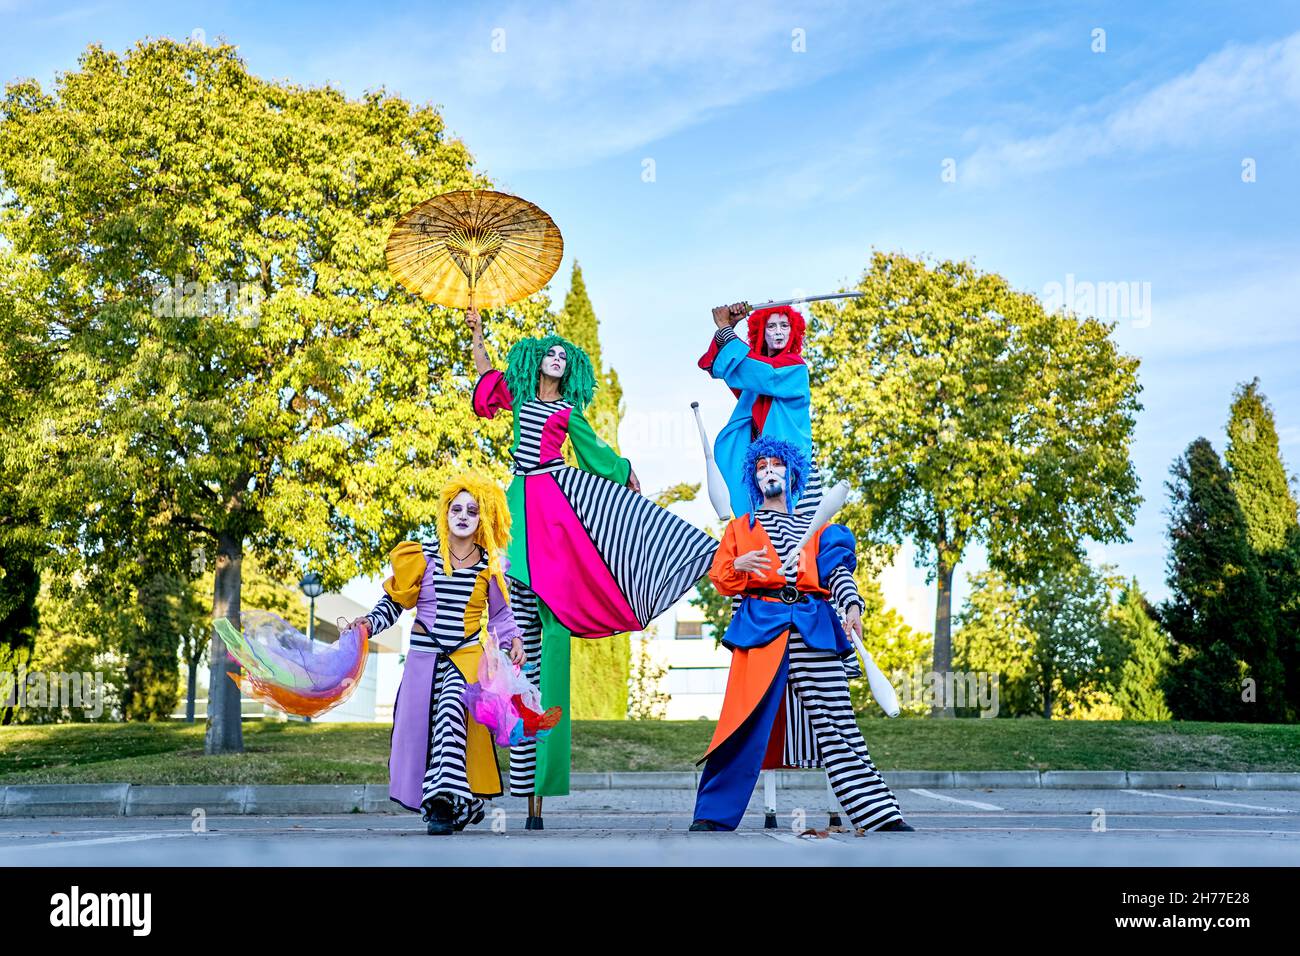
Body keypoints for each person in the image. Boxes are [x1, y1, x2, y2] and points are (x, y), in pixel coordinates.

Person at [468, 308, 717, 826]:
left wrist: (624, 474)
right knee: (515, 635)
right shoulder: (518, 398)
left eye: (565, 356)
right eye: (551, 352)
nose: (557, 359)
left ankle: (543, 784)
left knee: (553, 650)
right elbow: (485, 379)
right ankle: (517, 771)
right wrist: (476, 332)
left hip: (560, 506)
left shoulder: (568, 413)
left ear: (571, 369)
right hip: (521, 501)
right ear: (538, 361)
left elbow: (597, 453)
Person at [689, 436, 914, 833]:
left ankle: (881, 815)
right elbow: (722, 578)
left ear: (792, 474)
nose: (769, 471)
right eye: (761, 466)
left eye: (777, 464)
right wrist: (739, 563)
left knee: (839, 723)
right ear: (753, 478)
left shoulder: (818, 528)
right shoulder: (741, 528)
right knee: (741, 724)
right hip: (761, 629)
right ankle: (712, 816)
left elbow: (838, 572)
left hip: (813, 626)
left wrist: (853, 607)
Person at [350, 473, 524, 835]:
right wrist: (368, 623)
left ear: (483, 519)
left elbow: (502, 615)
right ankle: (465, 802)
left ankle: (442, 806)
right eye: (456, 509)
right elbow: (394, 603)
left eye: (472, 511)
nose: (462, 516)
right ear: (445, 514)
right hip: (423, 662)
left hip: (465, 659)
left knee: (449, 715)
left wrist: (514, 641)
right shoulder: (422, 556)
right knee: (425, 732)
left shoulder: (489, 566)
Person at [697, 301, 825, 519]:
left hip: (791, 473)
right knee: (761, 535)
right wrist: (729, 327)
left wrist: (725, 328)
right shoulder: (754, 385)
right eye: (771, 326)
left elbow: (764, 373)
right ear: (761, 333)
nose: (778, 332)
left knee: (804, 539)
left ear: (793, 331)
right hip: (763, 475)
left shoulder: (795, 368)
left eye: (784, 326)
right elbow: (721, 367)